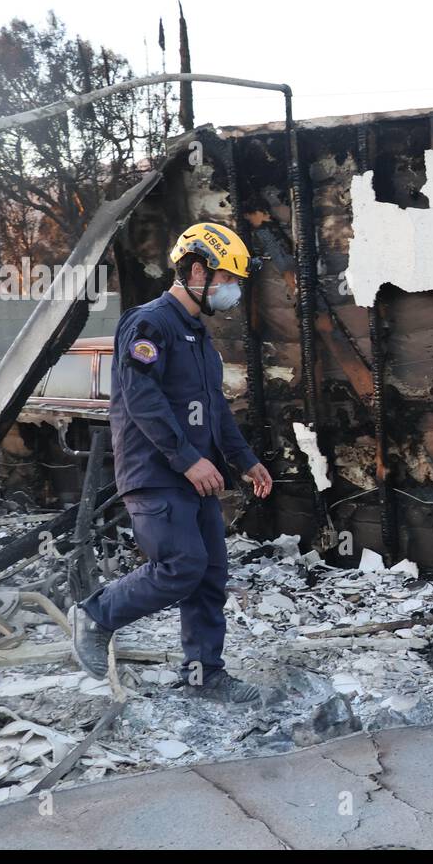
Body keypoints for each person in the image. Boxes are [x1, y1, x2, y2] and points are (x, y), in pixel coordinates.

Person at [70, 222, 274, 703]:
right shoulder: (149, 323)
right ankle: (96, 616)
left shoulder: (198, 337)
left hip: (194, 476)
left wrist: (244, 461)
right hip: (157, 473)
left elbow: (216, 408)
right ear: (198, 270)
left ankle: (205, 678)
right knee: (181, 566)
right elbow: (143, 400)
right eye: (228, 279)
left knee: (209, 576)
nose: (233, 291)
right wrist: (187, 461)